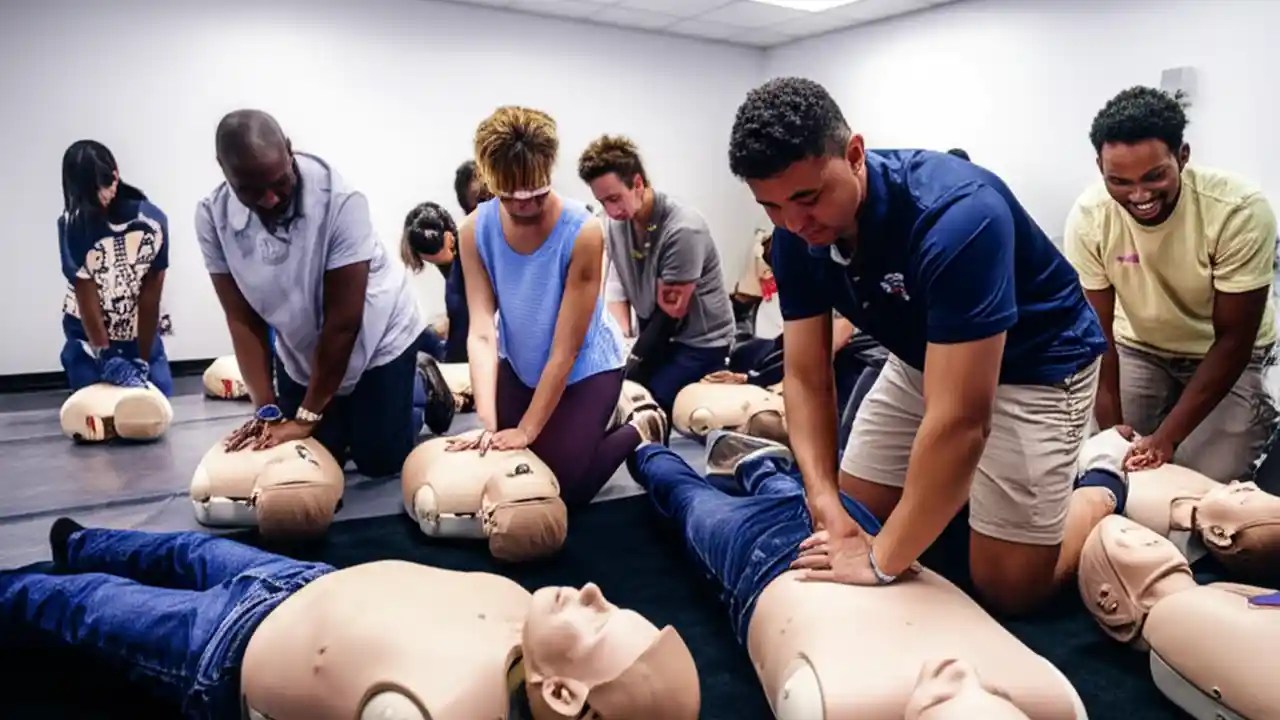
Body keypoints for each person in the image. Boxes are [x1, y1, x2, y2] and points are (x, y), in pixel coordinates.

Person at [727, 77, 1113, 616]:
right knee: (858, 514)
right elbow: (807, 376)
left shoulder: (958, 216)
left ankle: (1102, 478)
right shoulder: (795, 235)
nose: (793, 223)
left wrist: (882, 561)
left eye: (807, 198)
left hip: (1039, 365)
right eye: (770, 206)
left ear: (855, 154)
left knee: (1010, 588)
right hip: (922, 355)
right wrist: (822, 498)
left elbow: (962, 421)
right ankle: (976, 502)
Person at [627, 429, 1112, 718]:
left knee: (689, 502)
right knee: (799, 495)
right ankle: (760, 466)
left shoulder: (836, 705)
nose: (957, 673)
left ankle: (645, 447)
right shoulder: (1053, 700)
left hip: (767, 562)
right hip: (872, 541)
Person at [0, 519, 699, 719]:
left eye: (600, 620)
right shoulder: (525, 616)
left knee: (85, 605)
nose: (596, 590)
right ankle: (80, 540)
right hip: (300, 583)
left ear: (564, 693)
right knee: (184, 548)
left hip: (228, 646)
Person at [446, 107, 664, 507]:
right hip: (520, 363)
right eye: (512, 198)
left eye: (536, 193)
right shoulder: (474, 230)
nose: (526, 206)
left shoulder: (582, 231)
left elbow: (566, 350)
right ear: (491, 183)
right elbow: (480, 329)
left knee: (564, 489)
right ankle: (580, 427)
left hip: (586, 366)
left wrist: (528, 429)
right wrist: (487, 425)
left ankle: (640, 423)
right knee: (508, 463)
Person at [1064, 85, 1279, 482]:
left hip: (1228, 352)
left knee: (1205, 475)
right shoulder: (1091, 216)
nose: (1139, 194)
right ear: (1099, 167)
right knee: (1114, 463)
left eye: (1154, 176)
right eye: (1120, 181)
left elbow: (1234, 339)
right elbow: (1098, 334)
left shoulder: (1238, 211)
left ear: (1182, 156)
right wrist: (1114, 433)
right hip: (1141, 347)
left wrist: (1167, 438)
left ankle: (1257, 419)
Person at [196, 109, 423, 477]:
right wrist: (266, 411)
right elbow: (242, 319)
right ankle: (345, 416)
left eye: (279, 183)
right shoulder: (211, 217)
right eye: (250, 190)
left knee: (379, 461)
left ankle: (418, 386)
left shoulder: (341, 202)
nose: (270, 199)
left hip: (377, 336)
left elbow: (343, 323)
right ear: (223, 170)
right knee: (317, 455)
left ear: (289, 151)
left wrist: (306, 415)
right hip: (301, 344)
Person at [577, 134, 735, 412]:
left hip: (699, 344)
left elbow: (669, 317)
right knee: (611, 392)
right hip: (657, 334)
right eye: (603, 202)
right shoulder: (617, 225)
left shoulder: (683, 229)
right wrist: (620, 346)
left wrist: (633, 365)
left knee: (646, 402)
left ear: (638, 183)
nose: (611, 210)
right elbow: (615, 288)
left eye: (615, 198)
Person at [58, 140, 174, 396]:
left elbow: (152, 290)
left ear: (116, 175)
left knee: (159, 391)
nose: (101, 200)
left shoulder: (152, 222)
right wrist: (105, 354)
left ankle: (144, 357)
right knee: (93, 391)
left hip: (134, 323)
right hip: (90, 328)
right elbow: (84, 293)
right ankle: (79, 353)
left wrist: (143, 358)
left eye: (104, 188)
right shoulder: (72, 226)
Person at [400, 200, 460, 360]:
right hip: (458, 350)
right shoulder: (455, 258)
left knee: (410, 333)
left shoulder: (457, 267)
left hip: (460, 359)